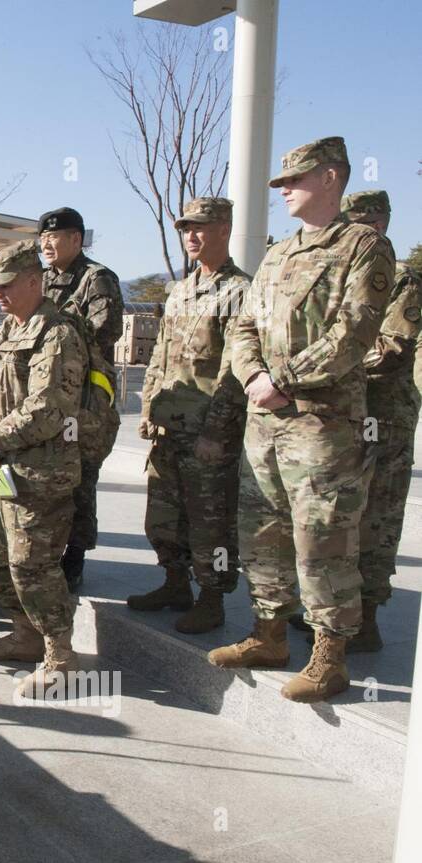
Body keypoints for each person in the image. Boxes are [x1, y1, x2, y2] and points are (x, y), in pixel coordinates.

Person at [210, 137, 395, 703]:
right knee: (261, 531)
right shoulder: (278, 253)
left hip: (323, 425)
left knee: (322, 537)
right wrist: (251, 378)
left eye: (295, 179)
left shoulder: (365, 247)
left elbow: (353, 334)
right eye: (282, 183)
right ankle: (268, 634)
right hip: (265, 422)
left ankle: (329, 655)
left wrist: (280, 380)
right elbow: (243, 327)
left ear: (332, 178)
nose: (284, 190)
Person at [0, 241, 86, 697]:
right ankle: (25, 635)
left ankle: (62, 656)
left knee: (33, 565)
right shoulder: (2, 333)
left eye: (7, 285)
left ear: (34, 281)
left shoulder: (58, 334)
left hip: (41, 475)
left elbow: (48, 409)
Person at [129, 198, 250, 633]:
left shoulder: (240, 292)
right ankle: (174, 583)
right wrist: (148, 408)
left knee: (210, 522)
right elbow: (160, 354)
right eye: (186, 229)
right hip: (169, 427)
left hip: (206, 431)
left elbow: (235, 371)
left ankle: (212, 599)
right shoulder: (181, 290)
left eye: (201, 227)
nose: (191, 237)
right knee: (164, 516)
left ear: (224, 229)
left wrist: (217, 432)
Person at [321, 189, 420, 652]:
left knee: (377, 517)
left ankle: (369, 617)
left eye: (358, 223)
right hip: (343, 414)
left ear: (378, 224)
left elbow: (392, 351)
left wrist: (324, 366)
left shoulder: (403, 280)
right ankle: (338, 613)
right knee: (341, 514)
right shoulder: (344, 272)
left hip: (384, 416)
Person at [39, 207, 124, 590]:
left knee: (79, 477)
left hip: (84, 401)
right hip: (45, 396)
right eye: (42, 238)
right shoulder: (38, 281)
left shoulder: (96, 279)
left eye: (54, 237)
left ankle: (74, 555)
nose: (46, 244)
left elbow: (103, 332)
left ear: (76, 239)